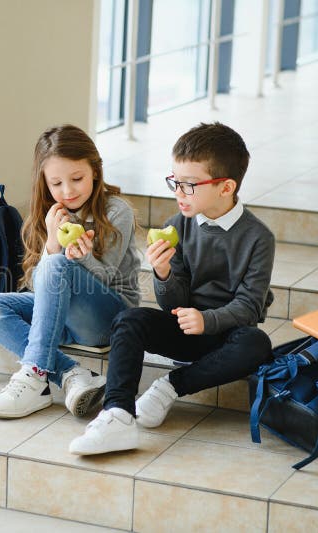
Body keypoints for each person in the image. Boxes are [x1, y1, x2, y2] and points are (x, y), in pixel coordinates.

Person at [69, 122, 275, 454]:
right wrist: (163, 273)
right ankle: (118, 414)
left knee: (257, 343)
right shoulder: (176, 225)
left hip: (227, 338)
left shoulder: (258, 238)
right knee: (130, 320)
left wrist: (208, 320)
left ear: (225, 187)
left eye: (189, 185)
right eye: (175, 182)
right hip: (184, 330)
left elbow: (250, 306)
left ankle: (170, 387)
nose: (178, 193)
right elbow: (171, 306)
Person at [0, 124, 142, 419]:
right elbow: (35, 288)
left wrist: (75, 257)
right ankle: (71, 374)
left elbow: (101, 279)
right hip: (60, 316)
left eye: (77, 179)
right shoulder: (50, 214)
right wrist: (52, 243)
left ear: (95, 171)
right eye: (56, 183)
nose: (67, 191)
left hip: (109, 318)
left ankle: (35, 374)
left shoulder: (117, 211)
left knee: (56, 264)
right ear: (45, 182)